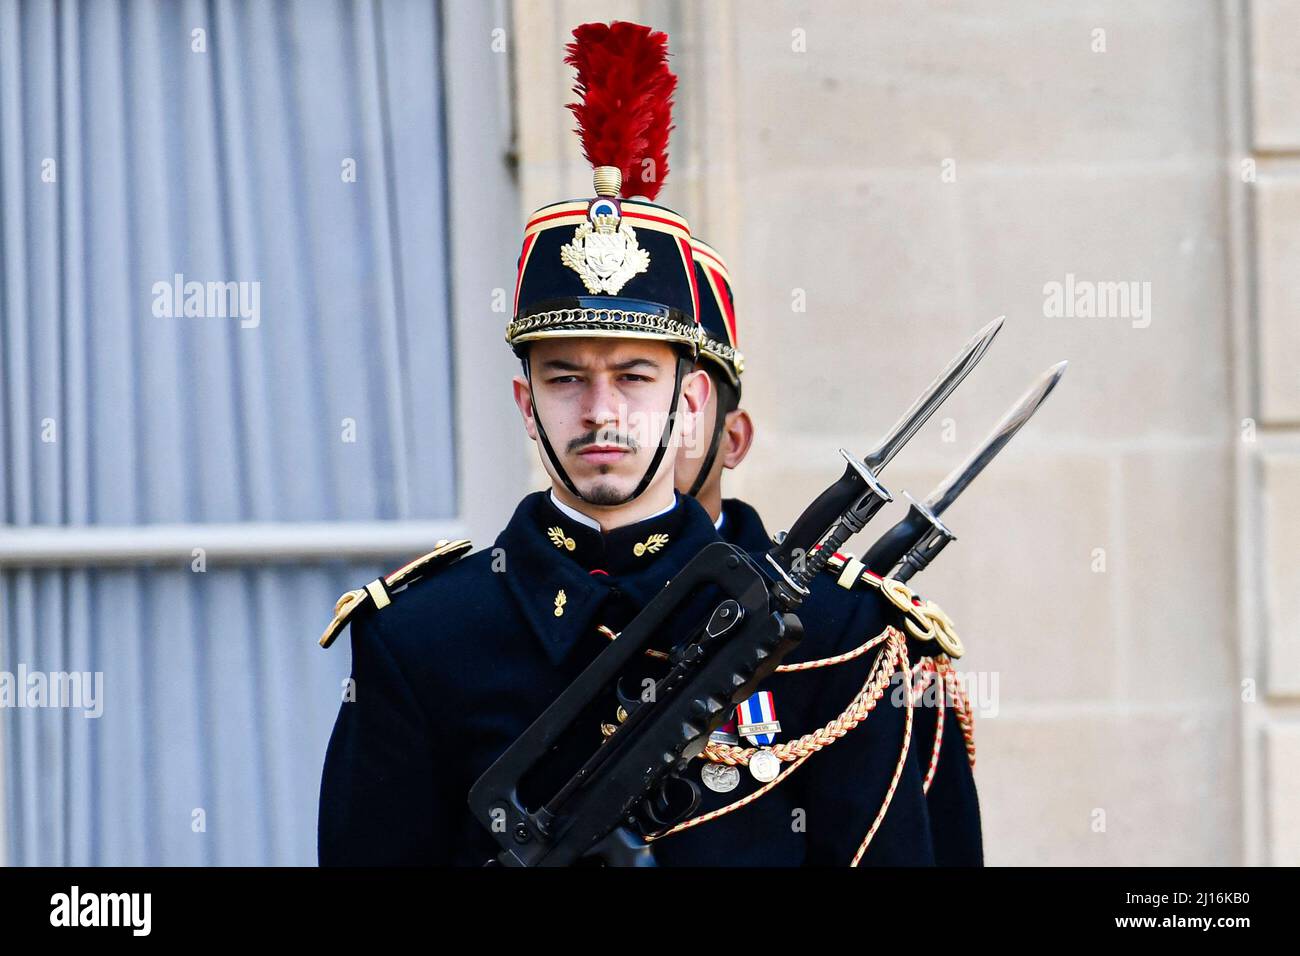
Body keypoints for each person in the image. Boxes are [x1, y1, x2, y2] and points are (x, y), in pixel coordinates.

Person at [317, 19, 972, 867]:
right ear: (524, 402)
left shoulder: (840, 633)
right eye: (564, 378)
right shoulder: (426, 637)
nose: (598, 411)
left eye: (633, 376)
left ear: (692, 401)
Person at [675, 240, 984, 864]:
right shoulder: (445, 624)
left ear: (733, 439)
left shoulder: (855, 631)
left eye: (645, 386)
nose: (615, 420)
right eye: (569, 377)